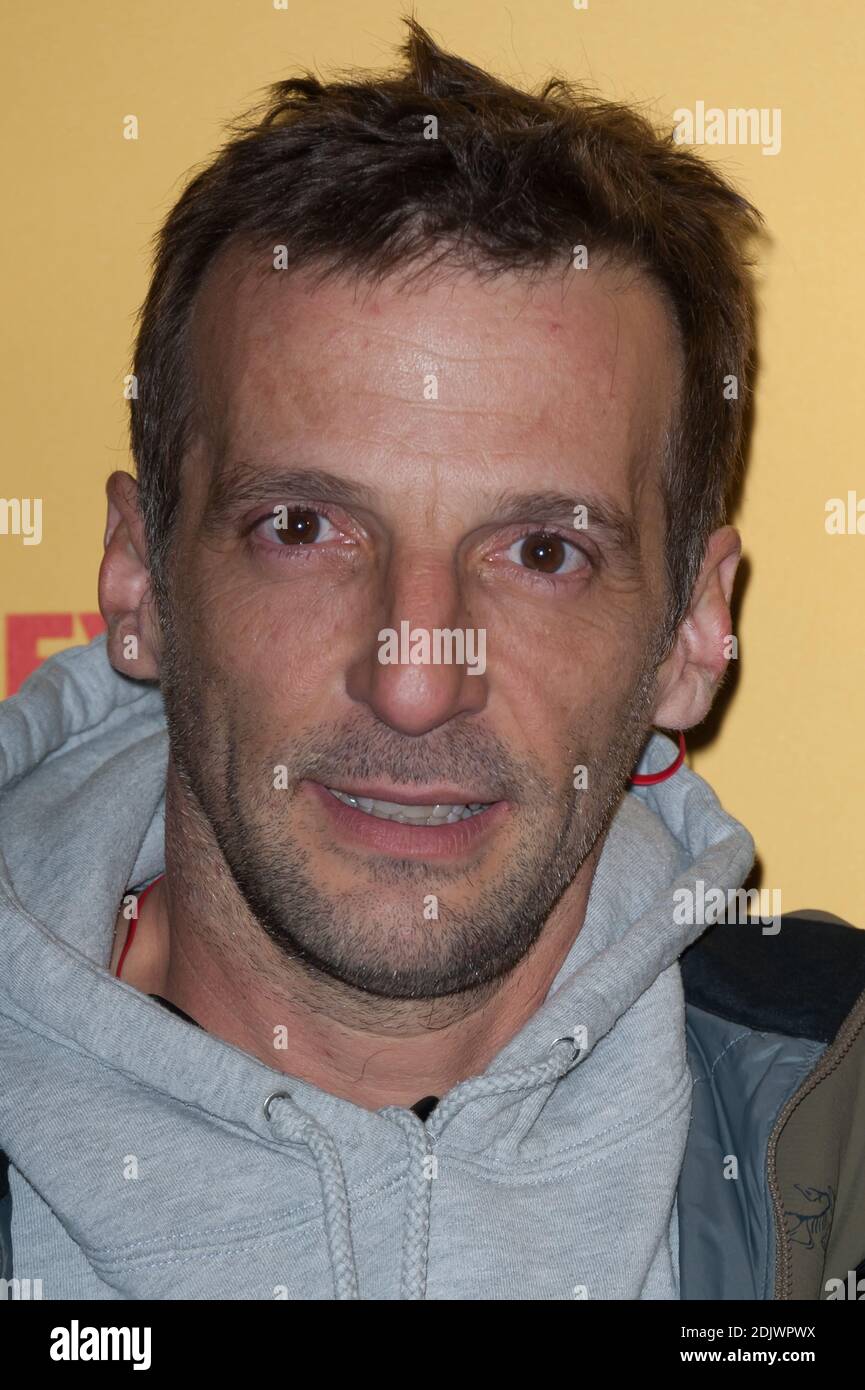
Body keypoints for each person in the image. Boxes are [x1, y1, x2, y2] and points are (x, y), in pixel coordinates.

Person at [1, 19, 863, 1302]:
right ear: (140, 580)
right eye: (303, 529)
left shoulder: (839, 1111)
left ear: (693, 632)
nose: (413, 683)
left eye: (542, 553)